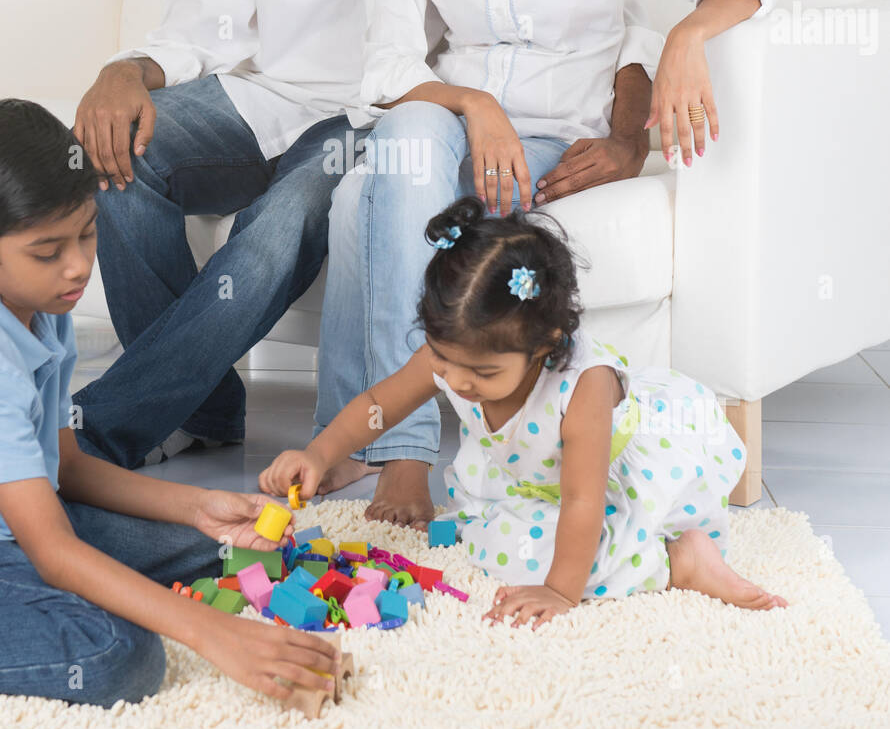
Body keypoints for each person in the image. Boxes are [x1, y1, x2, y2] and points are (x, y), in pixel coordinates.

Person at [69, 0, 657, 484]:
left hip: (377, 120)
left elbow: (606, 18)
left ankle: (101, 430)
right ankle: (199, 412)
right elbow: (192, 38)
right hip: (261, 98)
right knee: (120, 155)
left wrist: (628, 136)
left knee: (285, 223)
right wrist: (127, 72)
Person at [316, 0, 776, 528]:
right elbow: (388, 71)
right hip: (449, 129)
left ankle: (386, 447)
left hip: (552, 135)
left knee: (359, 201)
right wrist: (475, 104)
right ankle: (404, 450)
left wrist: (687, 34)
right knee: (400, 145)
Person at [0, 100, 339, 707]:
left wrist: (198, 508)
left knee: (216, 552)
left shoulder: (39, 309)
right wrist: (218, 634)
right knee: (118, 654)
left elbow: (68, 468)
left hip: (3, 521)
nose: (77, 266)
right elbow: (54, 551)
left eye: (87, 233)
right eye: (47, 251)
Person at [261, 197, 788, 622]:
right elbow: (379, 407)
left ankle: (680, 560)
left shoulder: (583, 388)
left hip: (608, 474)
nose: (459, 382)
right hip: (527, 479)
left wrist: (560, 591)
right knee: (481, 536)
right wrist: (318, 453)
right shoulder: (451, 356)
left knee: (533, 560)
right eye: (444, 360)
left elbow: (584, 501)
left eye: (484, 374)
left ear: (545, 344)